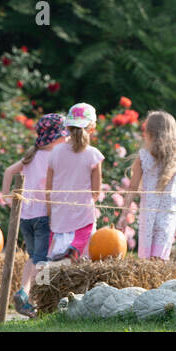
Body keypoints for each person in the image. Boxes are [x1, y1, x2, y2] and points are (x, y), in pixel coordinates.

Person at [0, 112, 67, 318]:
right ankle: (34, 296)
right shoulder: (54, 158)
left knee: (33, 257)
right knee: (43, 259)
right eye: (63, 136)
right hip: (44, 216)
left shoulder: (31, 155)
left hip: (26, 217)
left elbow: (8, 172)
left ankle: (24, 290)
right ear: (55, 137)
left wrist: (6, 195)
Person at [116, 109, 176, 259]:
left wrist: (123, 215)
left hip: (147, 216)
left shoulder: (142, 157)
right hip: (168, 214)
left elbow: (132, 189)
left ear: (148, 133)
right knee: (160, 259)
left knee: (146, 261)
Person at [45, 102, 104, 261]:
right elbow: (96, 192)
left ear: (68, 127)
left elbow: (48, 188)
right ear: (92, 129)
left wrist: (50, 211)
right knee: (81, 267)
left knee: (53, 268)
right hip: (82, 214)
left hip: (59, 215)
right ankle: (76, 248)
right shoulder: (93, 155)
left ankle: (62, 254)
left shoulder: (55, 152)